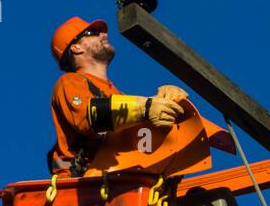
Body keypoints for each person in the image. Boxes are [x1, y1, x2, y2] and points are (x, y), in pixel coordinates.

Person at [48, 17, 189, 177]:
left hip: (117, 183)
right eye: (93, 33)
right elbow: (86, 116)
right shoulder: (69, 82)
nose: (104, 35)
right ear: (76, 48)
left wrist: (170, 105)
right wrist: (145, 108)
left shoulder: (117, 95)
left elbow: (140, 142)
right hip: (81, 188)